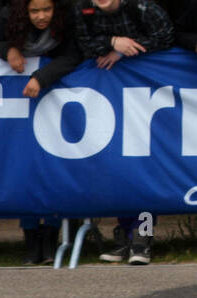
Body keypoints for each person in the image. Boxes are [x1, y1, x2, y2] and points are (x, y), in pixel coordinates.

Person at [75, 0, 172, 264]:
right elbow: (83, 43)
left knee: (144, 165)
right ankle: (125, 236)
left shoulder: (143, 7)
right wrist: (113, 41)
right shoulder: (83, 8)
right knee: (119, 166)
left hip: (146, 92)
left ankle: (144, 236)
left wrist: (124, 52)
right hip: (110, 92)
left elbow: (166, 35)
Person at [0, 0, 80, 264]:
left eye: (47, 10)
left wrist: (41, 77)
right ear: (23, 12)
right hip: (16, 101)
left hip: (53, 97)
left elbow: (73, 55)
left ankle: (50, 240)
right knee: (22, 168)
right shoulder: (8, 16)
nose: (41, 17)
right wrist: (9, 50)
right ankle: (30, 241)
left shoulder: (69, 19)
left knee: (51, 168)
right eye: (34, 11)